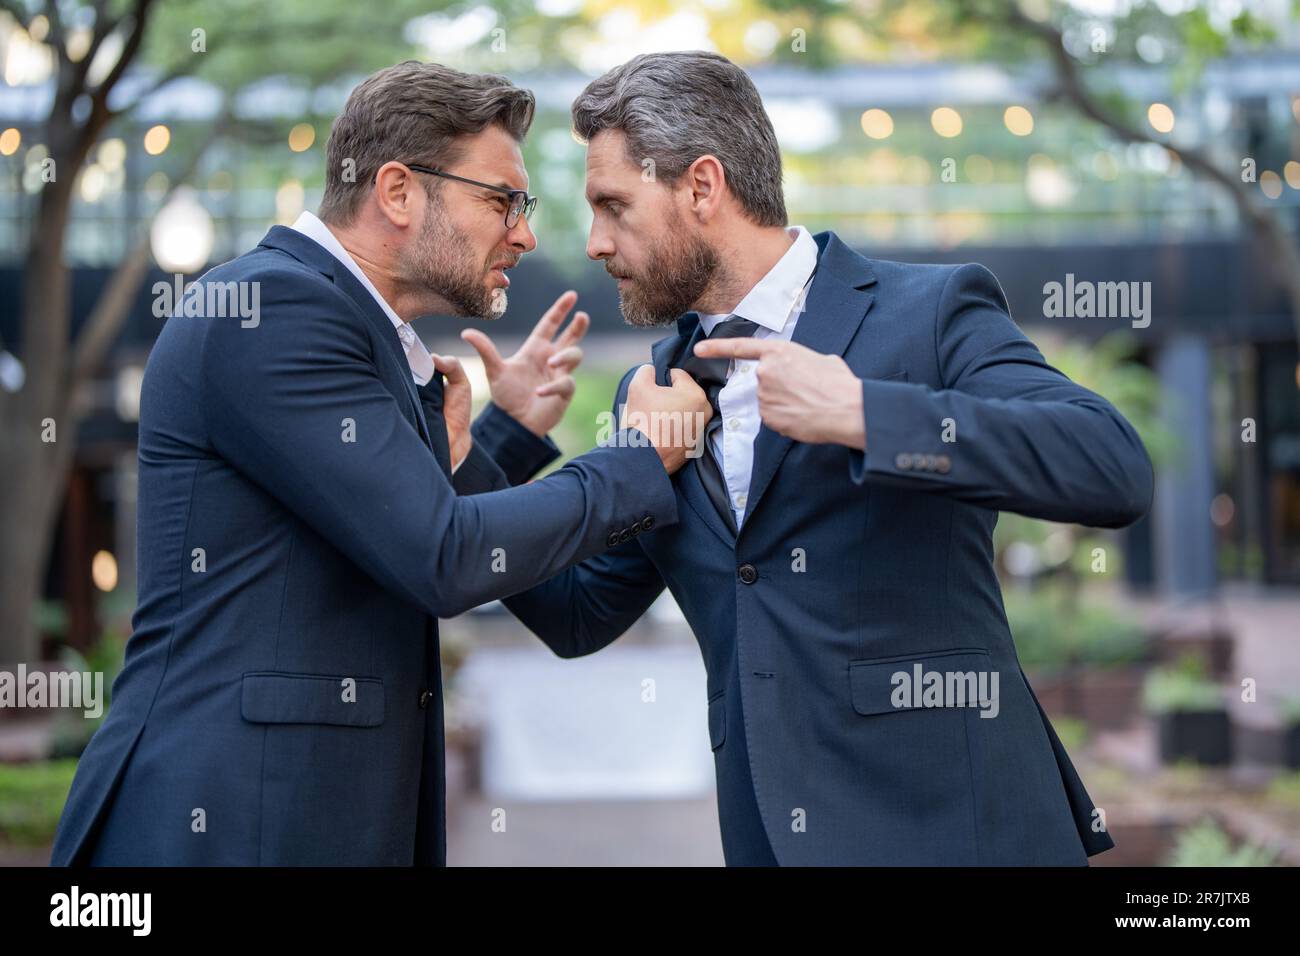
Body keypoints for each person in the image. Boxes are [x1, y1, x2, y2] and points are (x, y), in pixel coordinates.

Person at [466, 51, 1153, 866]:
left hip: (963, 832)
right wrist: (481, 450)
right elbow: (579, 614)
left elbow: (1111, 464)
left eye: (614, 206)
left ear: (703, 187)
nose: (594, 242)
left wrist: (863, 414)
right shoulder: (649, 394)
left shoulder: (929, 314)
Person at [50, 60, 708, 866]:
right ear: (397, 191)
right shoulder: (277, 311)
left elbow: (391, 535)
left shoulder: (361, 336)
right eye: (502, 200)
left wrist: (498, 441)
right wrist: (638, 459)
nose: (525, 234)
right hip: (226, 824)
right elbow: (439, 554)